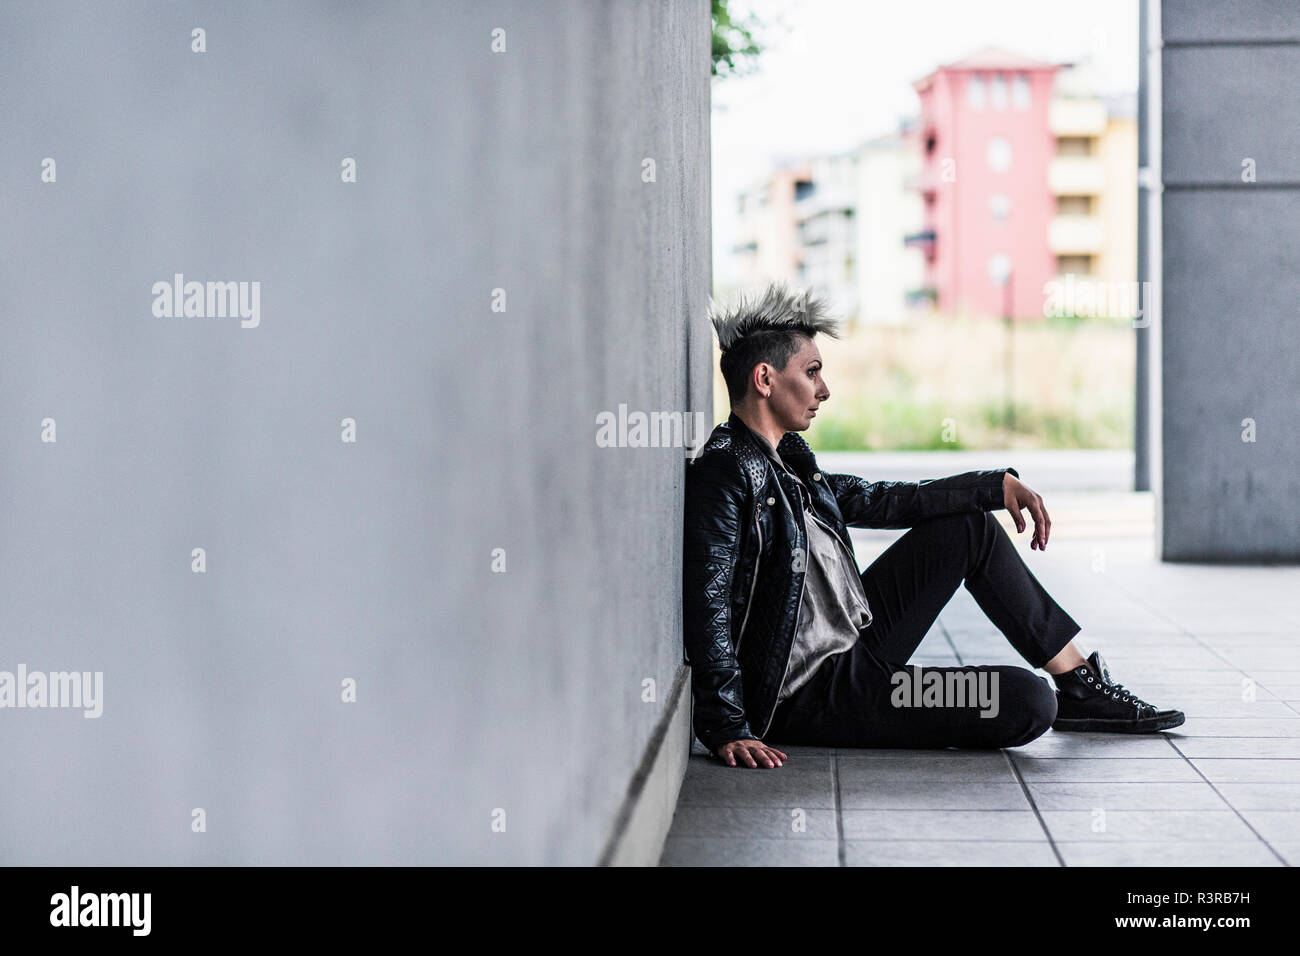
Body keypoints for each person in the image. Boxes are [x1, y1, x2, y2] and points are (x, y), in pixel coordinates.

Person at [682, 280, 1185, 769]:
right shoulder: (727, 473)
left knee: (970, 527)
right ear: (765, 379)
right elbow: (708, 604)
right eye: (811, 372)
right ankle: (1057, 694)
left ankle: (1079, 683)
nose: (824, 389)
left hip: (856, 644)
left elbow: (882, 499)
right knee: (1028, 701)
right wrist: (728, 723)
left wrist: (993, 486)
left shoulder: (789, 462)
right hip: (813, 691)